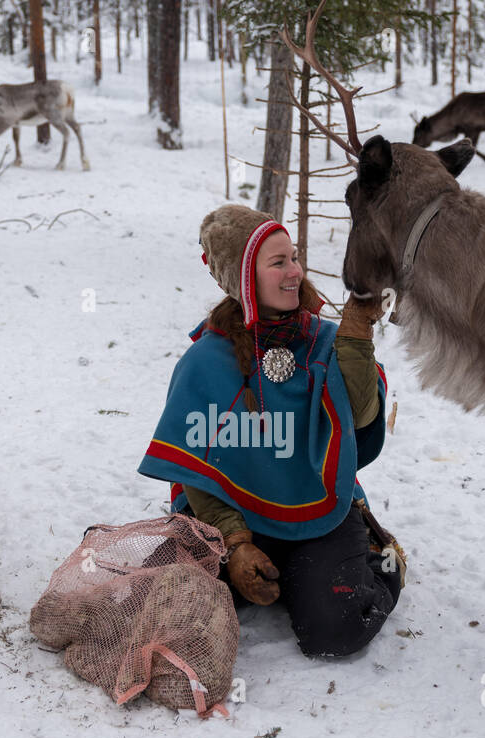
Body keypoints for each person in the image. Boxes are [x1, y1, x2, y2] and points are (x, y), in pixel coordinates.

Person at [138, 204, 403, 658]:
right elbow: (198, 472)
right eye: (278, 262)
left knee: (333, 633)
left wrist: (356, 334)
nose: (294, 272)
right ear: (245, 277)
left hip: (319, 510)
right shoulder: (206, 361)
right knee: (158, 608)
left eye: (295, 258)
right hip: (228, 516)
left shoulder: (325, 341)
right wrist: (236, 544)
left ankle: (381, 562)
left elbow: (360, 421)